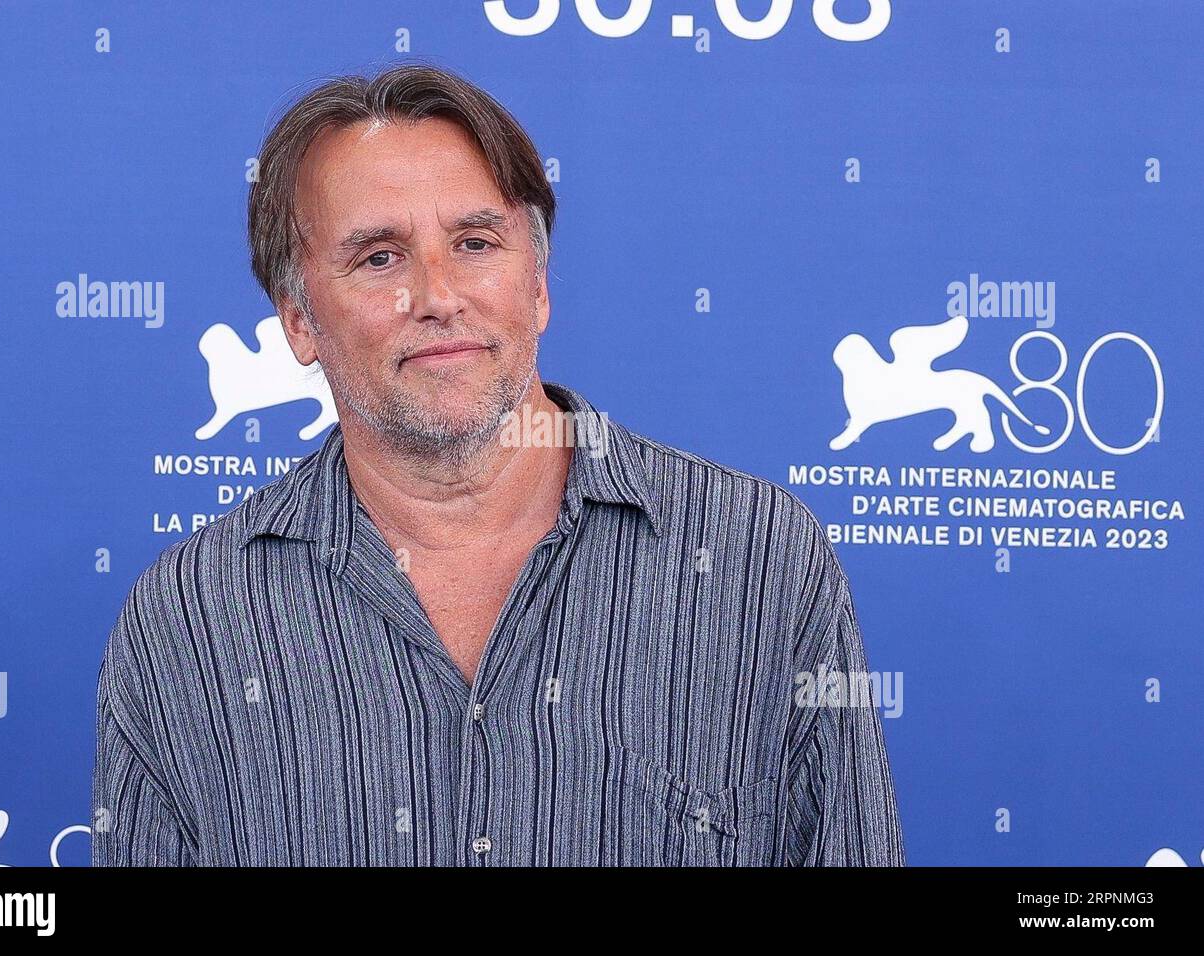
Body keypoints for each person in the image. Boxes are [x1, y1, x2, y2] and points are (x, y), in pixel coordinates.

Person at [92, 63, 904, 866]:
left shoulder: (758, 560)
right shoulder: (191, 619)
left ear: (539, 284)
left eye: (475, 243)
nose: (438, 294)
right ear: (299, 322)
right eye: (378, 258)